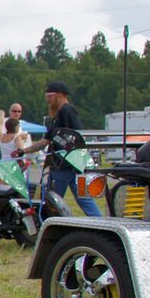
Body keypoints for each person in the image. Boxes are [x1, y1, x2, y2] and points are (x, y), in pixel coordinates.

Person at [15, 80, 101, 216]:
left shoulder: (67, 111)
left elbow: (78, 134)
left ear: (59, 95)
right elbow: (45, 141)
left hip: (64, 166)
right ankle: (98, 220)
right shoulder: (57, 116)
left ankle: (46, 223)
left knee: (51, 200)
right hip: (73, 166)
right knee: (84, 200)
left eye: (50, 96)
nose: (47, 100)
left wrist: (66, 149)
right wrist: (23, 151)